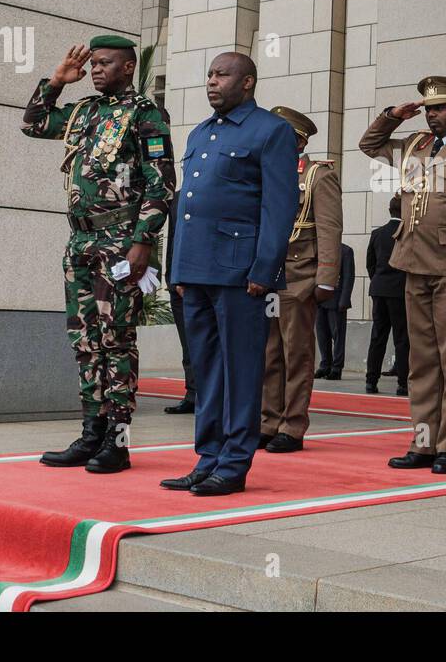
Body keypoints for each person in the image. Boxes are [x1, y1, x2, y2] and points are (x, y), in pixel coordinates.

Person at [22, 36, 175, 474]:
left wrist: (143, 241)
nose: (96, 69)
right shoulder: (85, 111)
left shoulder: (144, 113)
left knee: (117, 340)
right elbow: (34, 124)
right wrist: (55, 82)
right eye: (93, 64)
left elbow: (161, 183)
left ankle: (118, 442)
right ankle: (92, 432)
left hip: (120, 243)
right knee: (85, 340)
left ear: (128, 67)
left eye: (105, 63)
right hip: (81, 243)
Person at [159, 53, 297, 497]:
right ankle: (208, 457)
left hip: (239, 272)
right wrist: (180, 268)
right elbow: (187, 208)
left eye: (222, 75)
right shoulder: (201, 132)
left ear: (248, 82)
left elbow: (280, 207)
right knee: (207, 368)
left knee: (240, 369)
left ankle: (234, 463)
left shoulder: (271, 131)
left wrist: (264, 268)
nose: (212, 82)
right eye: (209, 75)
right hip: (196, 270)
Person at [359, 76, 446, 474]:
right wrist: (392, 117)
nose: (432, 115)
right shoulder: (414, 146)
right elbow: (369, 146)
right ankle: (423, 443)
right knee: (420, 360)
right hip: (413, 263)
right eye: (427, 109)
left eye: (439, 108)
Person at [259, 107, 342, 454]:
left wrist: (326, 277)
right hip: (267, 276)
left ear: (297, 141)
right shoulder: (265, 173)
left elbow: (329, 228)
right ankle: (267, 421)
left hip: (299, 274)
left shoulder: (317, 175)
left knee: (297, 353)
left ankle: (292, 426)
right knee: (268, 353)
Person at [364, 195, 409, 396]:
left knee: (378, 336)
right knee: (401, 338)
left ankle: (371, 381)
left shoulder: (377, 233)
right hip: (399, 290)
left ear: (389, 210)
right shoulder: (407, 233)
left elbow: (370, 263)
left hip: (379, 288)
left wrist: (378, 280)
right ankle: (402, 383)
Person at [161, 201, 196, 414]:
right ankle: (192, 393)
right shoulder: (176, 199)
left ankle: (211, 397)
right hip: (176, 283)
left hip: (198, 282)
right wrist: (171, 278)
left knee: (205, 345)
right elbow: (172, 241)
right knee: (187, 346)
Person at [314, 243, 354, 380]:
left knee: (337, 336)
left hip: (336, 301)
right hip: (319, 300)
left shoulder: (346, 251)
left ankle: (337, 368)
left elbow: (348, 277)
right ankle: (325, 365)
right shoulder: (320, 249)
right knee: (321, 335)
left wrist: (344, 300)